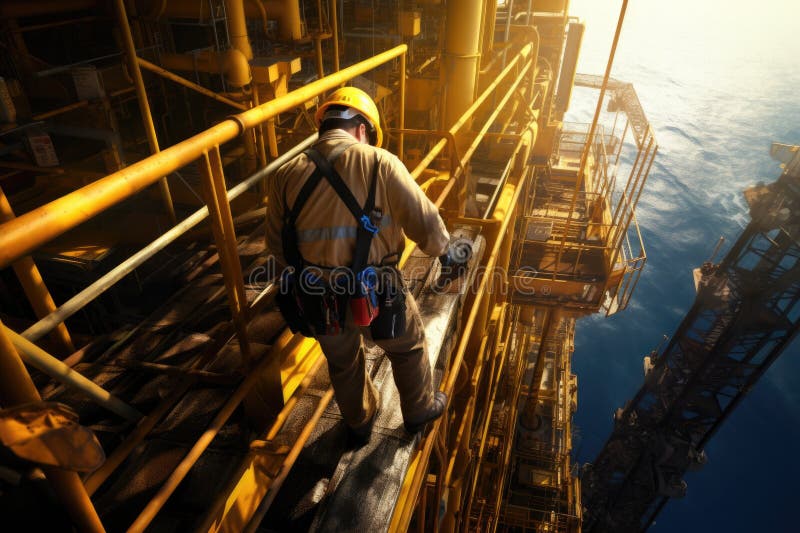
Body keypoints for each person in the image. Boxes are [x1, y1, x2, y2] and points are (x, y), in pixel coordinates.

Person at [266, 87, 451, 444]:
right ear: (363, 129)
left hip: (316, 295)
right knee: (408, 347)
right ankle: (418, 411)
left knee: (344, 364)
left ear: (324, 124)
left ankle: (359, 423)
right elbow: (425, 222)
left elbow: (277, 246)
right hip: (378, 292)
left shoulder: (285, 174)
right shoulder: (379, 162)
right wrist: (447, 252)